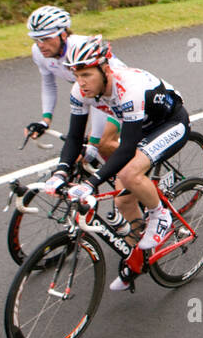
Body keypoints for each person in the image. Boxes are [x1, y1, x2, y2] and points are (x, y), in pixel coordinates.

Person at [42, 35, 192, 292]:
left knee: (130, 172)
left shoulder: (128, 89)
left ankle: (161, 215)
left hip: (170, 123)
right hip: (142, 127)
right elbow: (76, 137)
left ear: (105, 69)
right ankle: (138, 260)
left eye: (87, 74)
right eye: (76, 75)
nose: (81, 82)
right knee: (123, 200)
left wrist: (91, 183)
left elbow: (126, 149)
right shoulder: (80, 91)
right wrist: (60, 171)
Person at [23, 6, 120, 163]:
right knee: (82, 150)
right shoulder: (38, 52)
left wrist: (94, 142)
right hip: (93, 96)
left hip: (117, 96)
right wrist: (45, 120)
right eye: (36, 39)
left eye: (46, 38)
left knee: (102, 143)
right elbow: (48, 84)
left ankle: (142, 163)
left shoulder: (80, 50)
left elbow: (101, 96)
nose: (40, 45)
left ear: (62, 34)